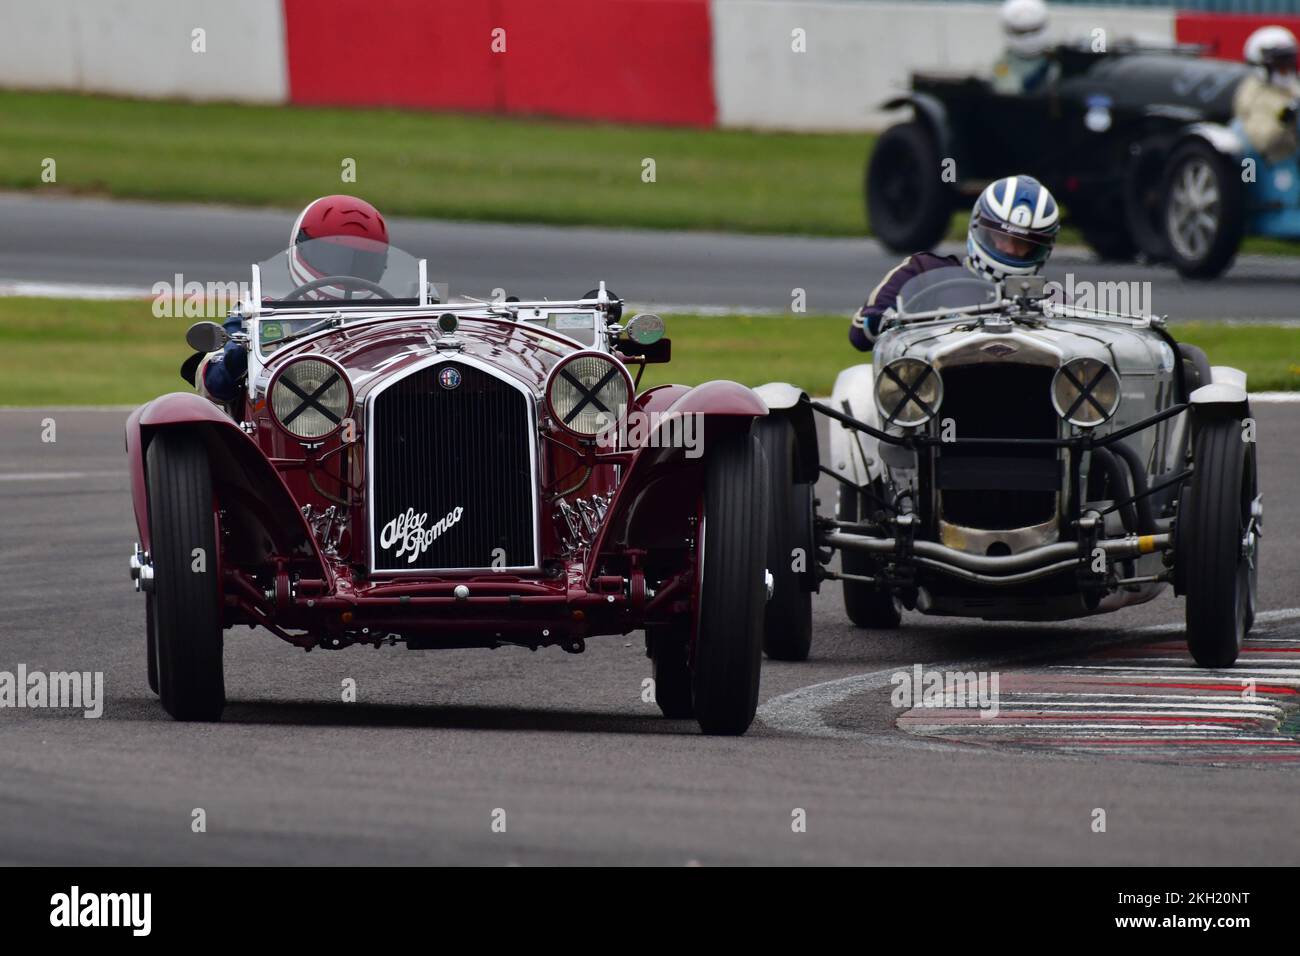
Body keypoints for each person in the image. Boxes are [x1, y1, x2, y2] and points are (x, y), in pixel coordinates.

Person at [197, 194, 390, 404]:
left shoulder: (394, 317)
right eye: (335, 258)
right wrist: (242, 353)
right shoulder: (261, 312)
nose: (347, 272)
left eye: (363, 263)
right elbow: (212, 385)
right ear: (299, 248)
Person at [851, 174, 1060, 351]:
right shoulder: (921, 272)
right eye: (1002, 237)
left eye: (1023, 244)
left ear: (1042, 249)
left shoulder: (1050, 297)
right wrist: (888, 321)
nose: (1009, 250)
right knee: (855, 383)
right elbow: (860, 335)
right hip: (931, 391)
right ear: (979, 227)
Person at [1234, 25, 1300, 164]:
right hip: (1272, 164)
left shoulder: (1293, 88)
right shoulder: (1252, 95)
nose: (1286, 70)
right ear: (1262, 65)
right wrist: (1285, 117)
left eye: (1289, 63)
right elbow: (1262, 141)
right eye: (1281, 65)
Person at [991, 0, 1059, 94]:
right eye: (1020, 32)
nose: (1029, 38)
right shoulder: (1002, 65)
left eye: (1034, 29)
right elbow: (1006, 91)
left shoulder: (1059, 59)